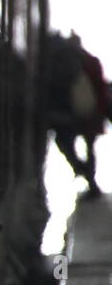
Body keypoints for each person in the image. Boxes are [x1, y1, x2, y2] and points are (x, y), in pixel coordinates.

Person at [46, 32, 110, 195]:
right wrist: (100, 112)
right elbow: (100, 89)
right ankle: (91, 181)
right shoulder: (92, 61)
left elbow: (54, 89)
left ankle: (82, 170)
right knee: (90, 148)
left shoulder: (59, 62)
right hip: (90, 113)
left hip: (70, 114)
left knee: (66, 143)